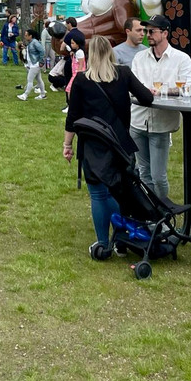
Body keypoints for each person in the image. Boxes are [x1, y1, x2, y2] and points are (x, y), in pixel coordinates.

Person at [63, 35, 154, 258]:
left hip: (93, 144)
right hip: (121, 143)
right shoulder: (123, 73)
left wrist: (67, 144)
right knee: (119, 192)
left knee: (98, 194)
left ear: (91, 54)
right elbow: (146, 98)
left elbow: (73, 116)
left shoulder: (82, 80)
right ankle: (122, 239)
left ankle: (103, 243)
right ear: (111, 52)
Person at [126, 17, 191, 199]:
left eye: (152, 31)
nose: (148, 35)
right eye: (146, 31)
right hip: (138, 121)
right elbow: (133, 87)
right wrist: (144, 91)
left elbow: (190, 89)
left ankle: (164, 214)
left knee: (158, 176)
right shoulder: (140, 57)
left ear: (165, 33)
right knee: (144, 173)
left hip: (162, 124)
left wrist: (164, 91)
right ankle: (151, 213)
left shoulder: (181, 59)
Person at [20, 28, 47, 100]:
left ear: (30, 36)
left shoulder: (35, 42)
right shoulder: (30, 43)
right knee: (39, 79)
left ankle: (25, 95)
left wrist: (41, 61)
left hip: (35, 64)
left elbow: (42, 51)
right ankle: (43, 94)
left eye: (26, 35)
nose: (25, 37)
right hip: (33, 64)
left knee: (30, 79)